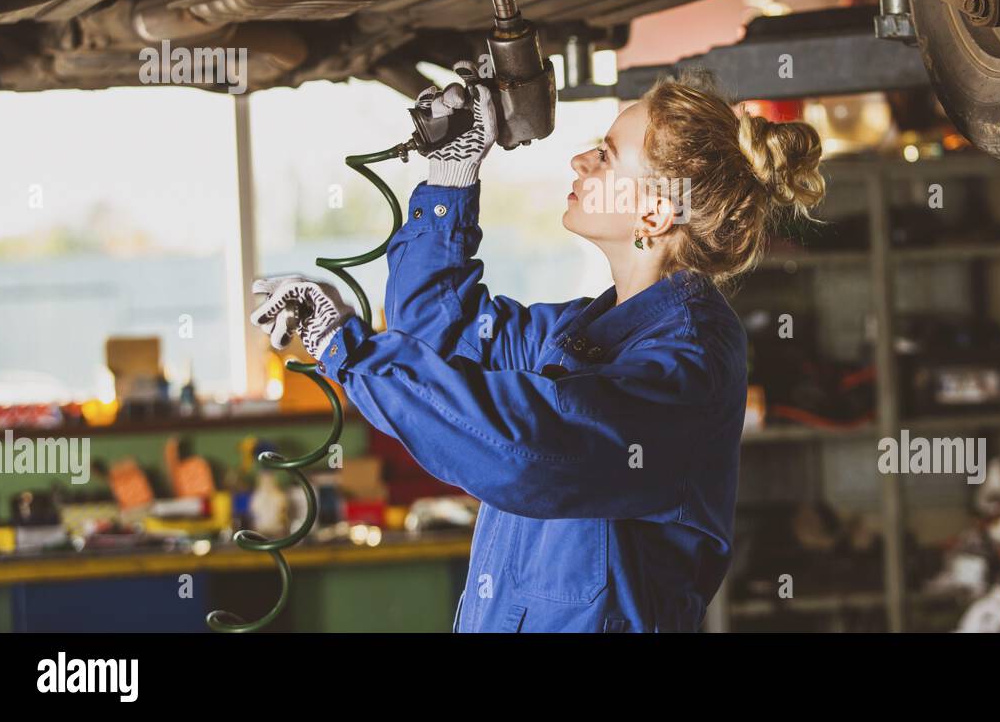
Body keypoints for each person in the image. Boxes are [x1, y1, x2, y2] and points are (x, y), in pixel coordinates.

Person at [250, 69, 826, 632]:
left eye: (606, 155)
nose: (581, 161)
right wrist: (451, 176)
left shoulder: (689, 361)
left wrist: (345, 348)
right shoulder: (583, 334)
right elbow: (439, 334)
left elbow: (532, 446)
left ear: (653, 213)